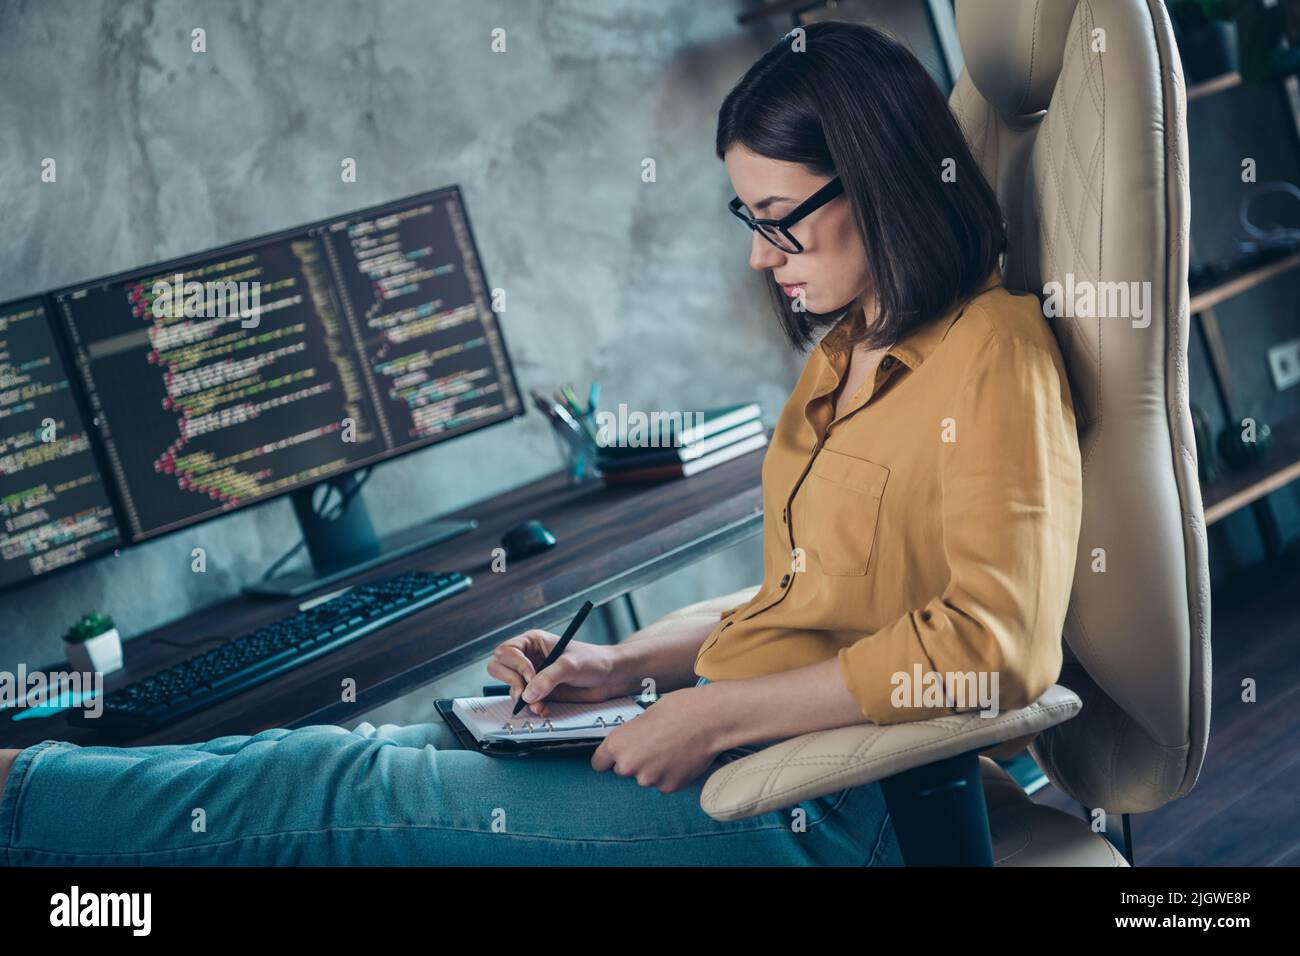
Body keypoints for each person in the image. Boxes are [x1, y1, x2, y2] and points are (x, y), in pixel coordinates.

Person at [0, 20, 1081, 866]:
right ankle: (29, 791)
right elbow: (794, 601)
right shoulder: (842, 355)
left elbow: (995, 647)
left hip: (834, 809)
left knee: (339, 802)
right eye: (746, 219)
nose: (762, 257)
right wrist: (621, 662)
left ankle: (17, 795)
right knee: (336, 758)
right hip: (760, 755)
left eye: (778, 215)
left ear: (879, 180)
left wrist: (712, 717)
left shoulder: (992, 348)